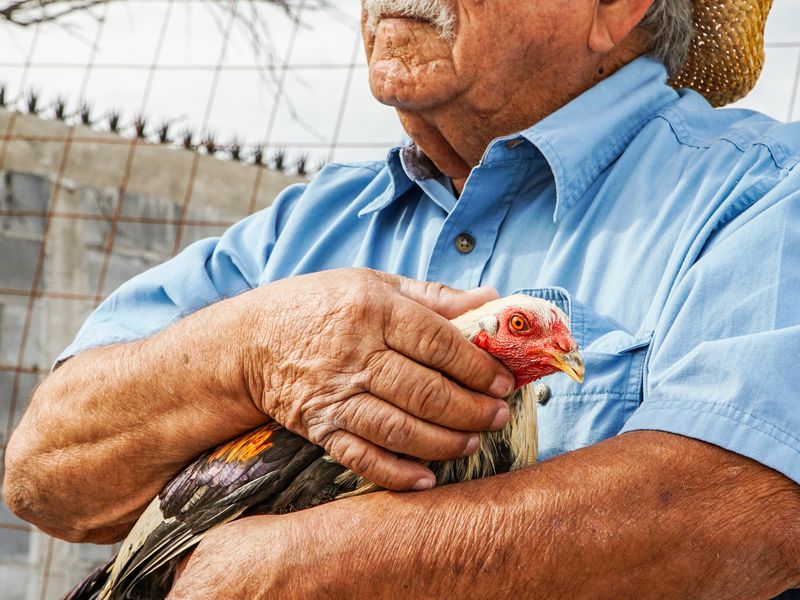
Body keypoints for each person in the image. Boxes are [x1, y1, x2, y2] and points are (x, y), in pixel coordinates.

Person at [5, 0, 800, 597]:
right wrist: (247, 354)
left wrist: (302, 569)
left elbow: (744, 507)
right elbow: (46, 472)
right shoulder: (301, 227)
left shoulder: (768, 192)